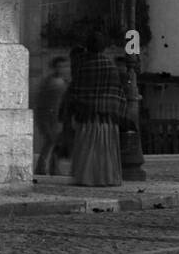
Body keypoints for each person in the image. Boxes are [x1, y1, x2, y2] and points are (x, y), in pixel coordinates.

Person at [65, 31, 127, 186]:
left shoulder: (83, 66)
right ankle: (106, 177)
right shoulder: (109, 65)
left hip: (87, 116)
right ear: (103, 47)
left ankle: (86, 177)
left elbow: (75, 89)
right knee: (105, 148)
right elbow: (117, 93)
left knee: (87, 146)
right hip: (106, 117)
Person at [32, 56, 70, 176]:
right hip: (49, 116)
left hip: (55, 116)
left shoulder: (60, 81)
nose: (63, 69)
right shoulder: (53, 82)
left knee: (54, 142)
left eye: (65, 66)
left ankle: (52, 168)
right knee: (51, 141)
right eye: (60, 66)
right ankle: (42, 167)